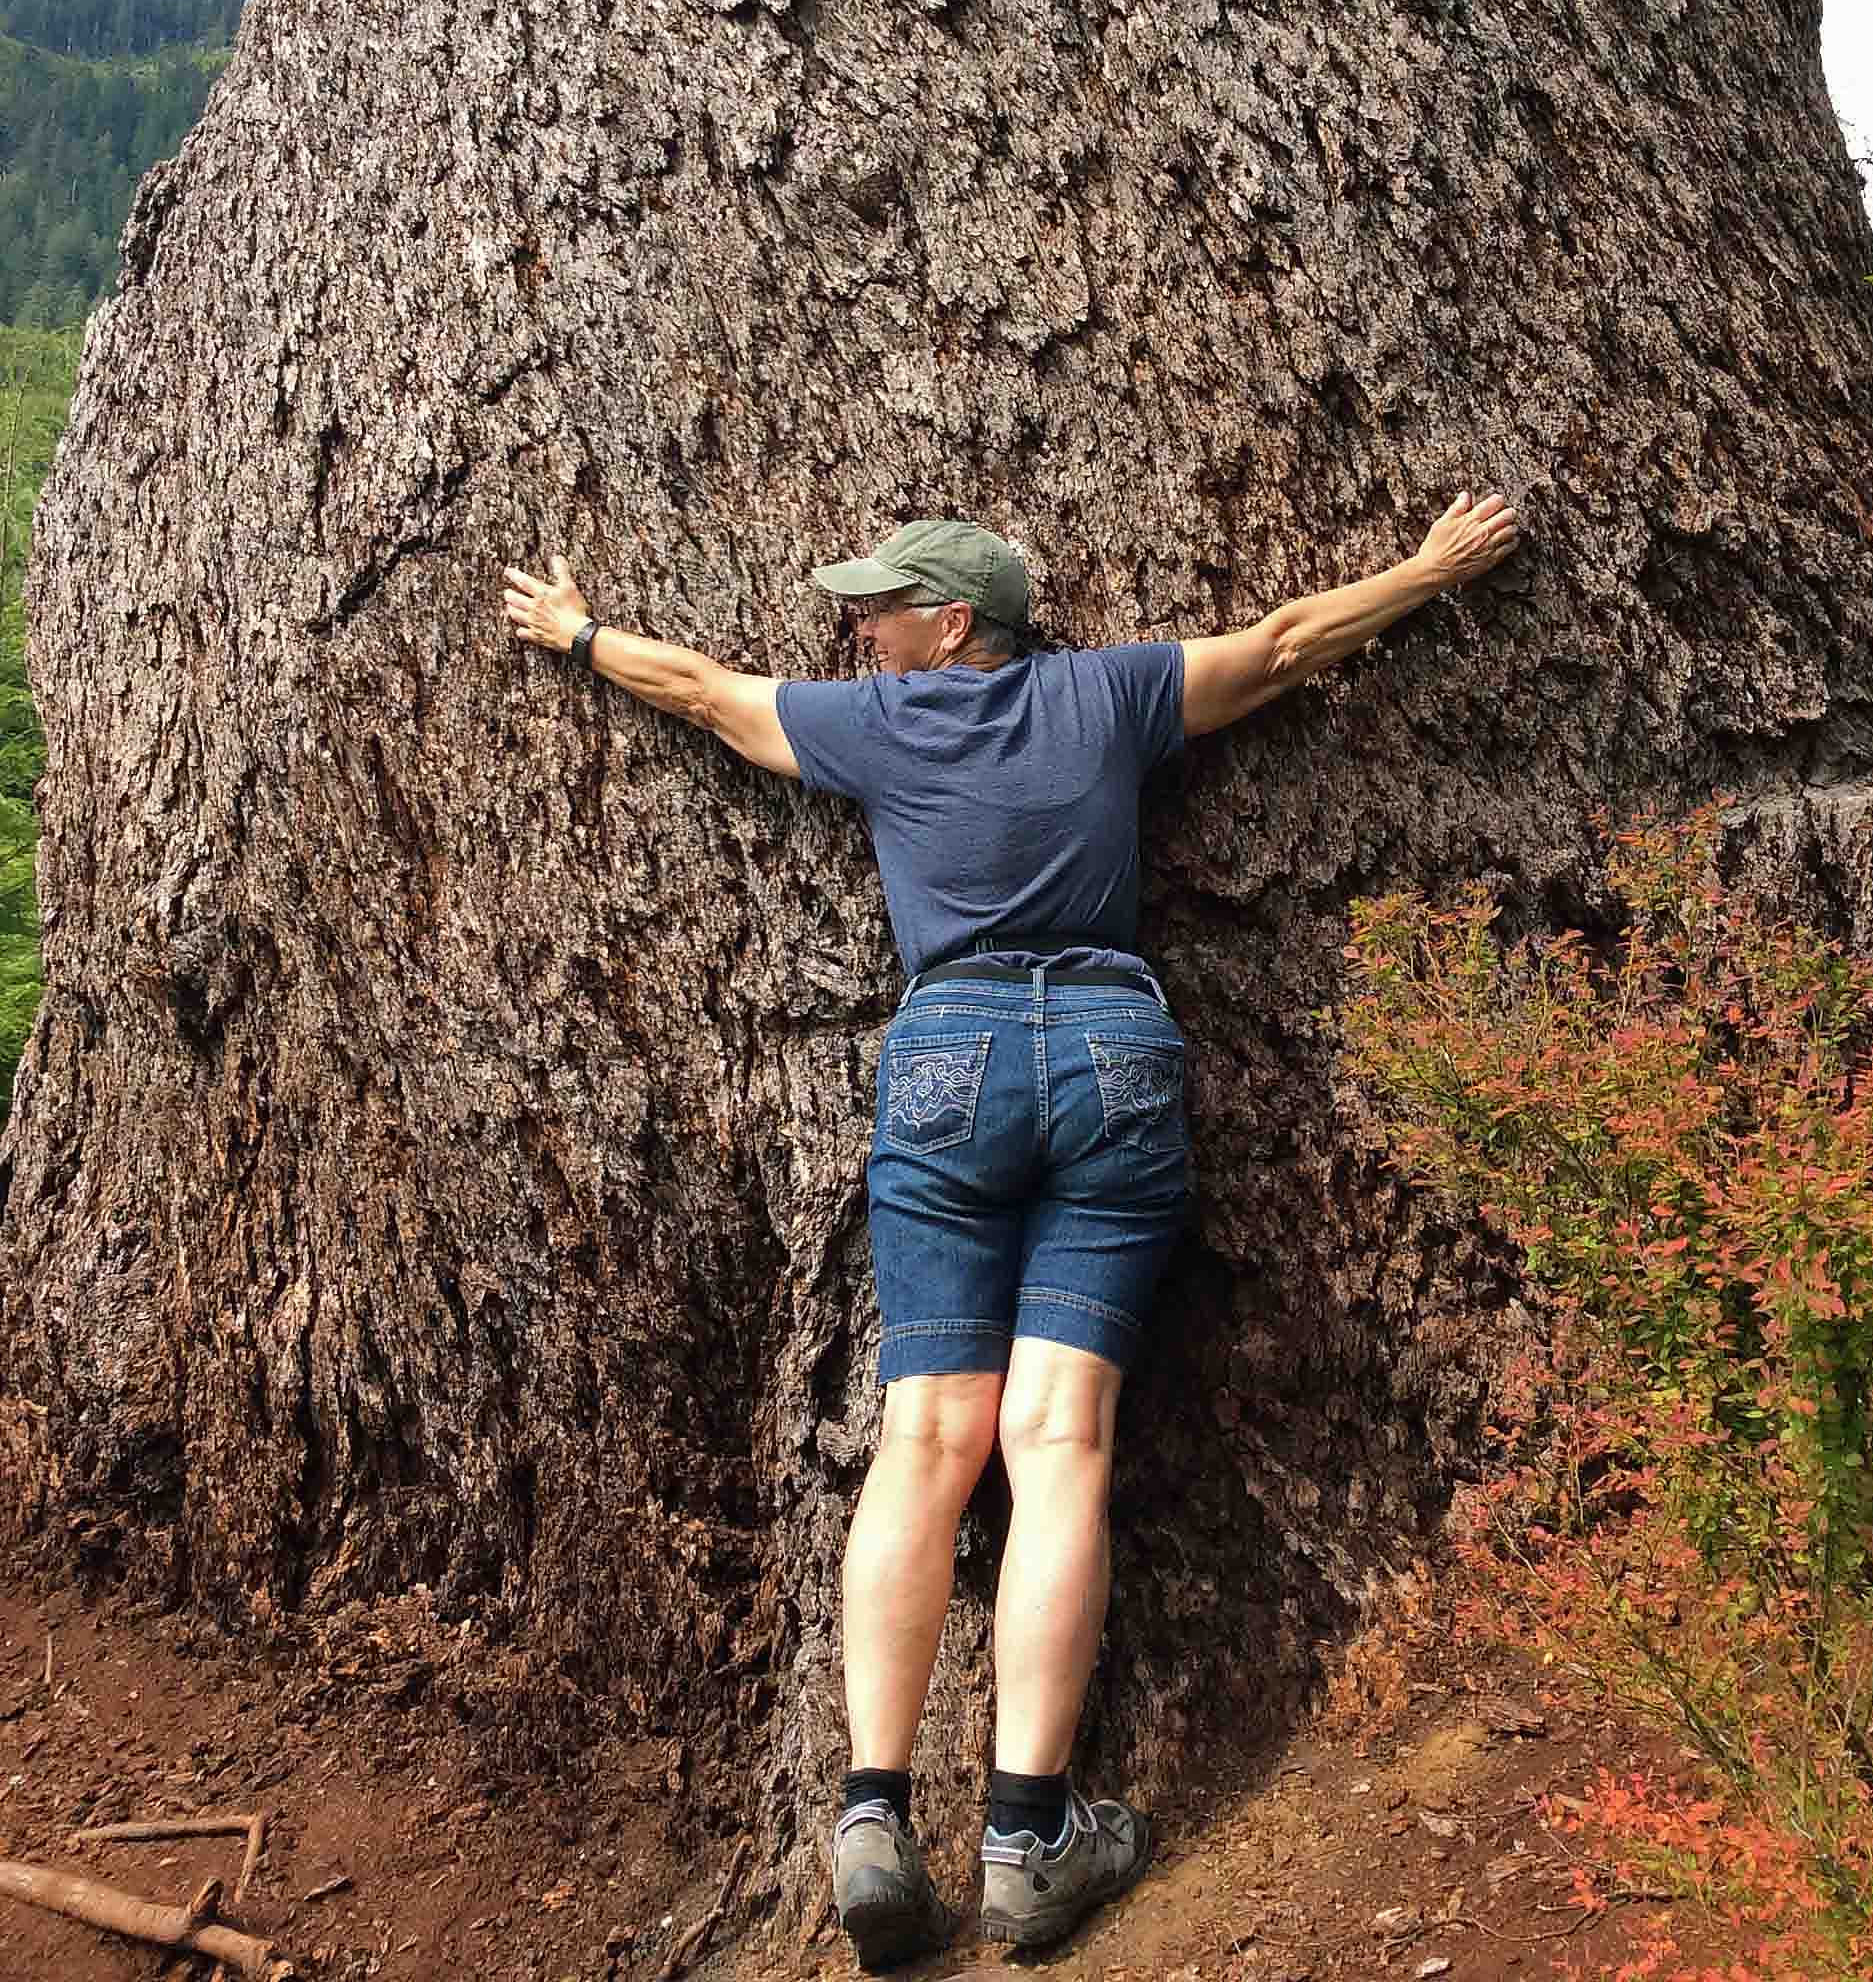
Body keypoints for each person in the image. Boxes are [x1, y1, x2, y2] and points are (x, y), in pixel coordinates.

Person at [502, 493, 1519, 1966]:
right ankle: (1030, 1839)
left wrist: (579, 631)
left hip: (948, 1061)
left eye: (882, 610)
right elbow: (1292, 643)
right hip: (1110, 1053)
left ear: (955, 626)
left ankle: (869, 1813)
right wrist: (1428, 573)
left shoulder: (884, 725)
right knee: (1059, 1441)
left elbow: (706, 696)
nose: (858, 630)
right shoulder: (1110, 693)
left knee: (927, 1438)